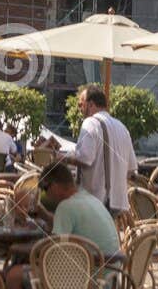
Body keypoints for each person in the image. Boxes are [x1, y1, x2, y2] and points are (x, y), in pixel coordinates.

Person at [3, 163, 120, 289]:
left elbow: (52, 252)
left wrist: (25, 251)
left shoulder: (66, 207)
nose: (44, 194)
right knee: (36, 278)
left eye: (44, 188)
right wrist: (43, 214)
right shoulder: (90, 200)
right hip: (110, 284)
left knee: (14, 276)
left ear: (55, 186)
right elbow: (65, 238)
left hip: (85, 287)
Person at [46, 84, 136, 214]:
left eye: (81, 104)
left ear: (91, 104)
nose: (80, 109)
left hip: (96, 199)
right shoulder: (122, 127)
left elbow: (85, 158)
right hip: (118, 202)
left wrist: (63, 158)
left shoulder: (90, 123)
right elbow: (131, 168)